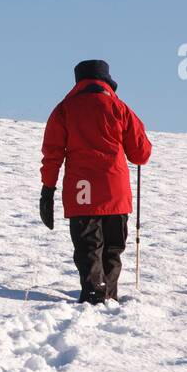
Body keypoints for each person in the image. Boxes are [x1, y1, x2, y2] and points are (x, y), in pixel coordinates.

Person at [39, 59, 152, 303]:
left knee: (88, 246)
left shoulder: (64, 109)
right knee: (113, 247)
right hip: (115, 191)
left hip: (82, 191)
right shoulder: (120, 108)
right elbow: (141, 154)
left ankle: (93, 290)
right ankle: (108, 293)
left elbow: (52, 155)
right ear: (107, 81)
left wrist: (47, 191)